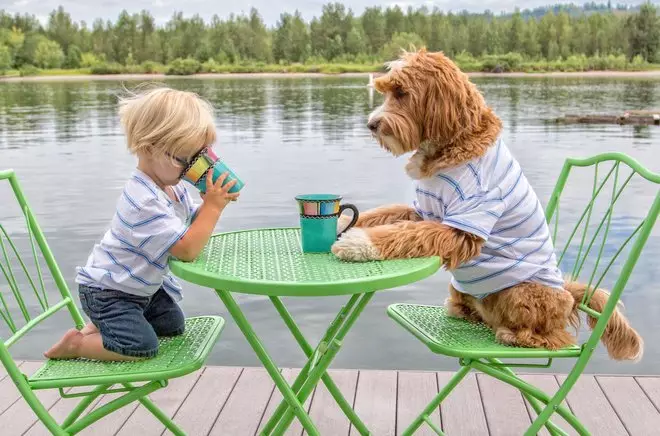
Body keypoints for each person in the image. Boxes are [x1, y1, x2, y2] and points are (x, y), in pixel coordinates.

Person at [44, 85, 240, 361]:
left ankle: (98, 327)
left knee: (172, 328)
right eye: (186, 161)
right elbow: (186, 249)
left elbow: (186, 229)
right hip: (108, 292)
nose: (192, 170)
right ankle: (76, 345)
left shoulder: (173, 187)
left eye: (200, 159)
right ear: (150, 149)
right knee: (142, 347)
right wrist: (213, 208)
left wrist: (208, 203)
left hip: (140, 290)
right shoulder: (142, 201)